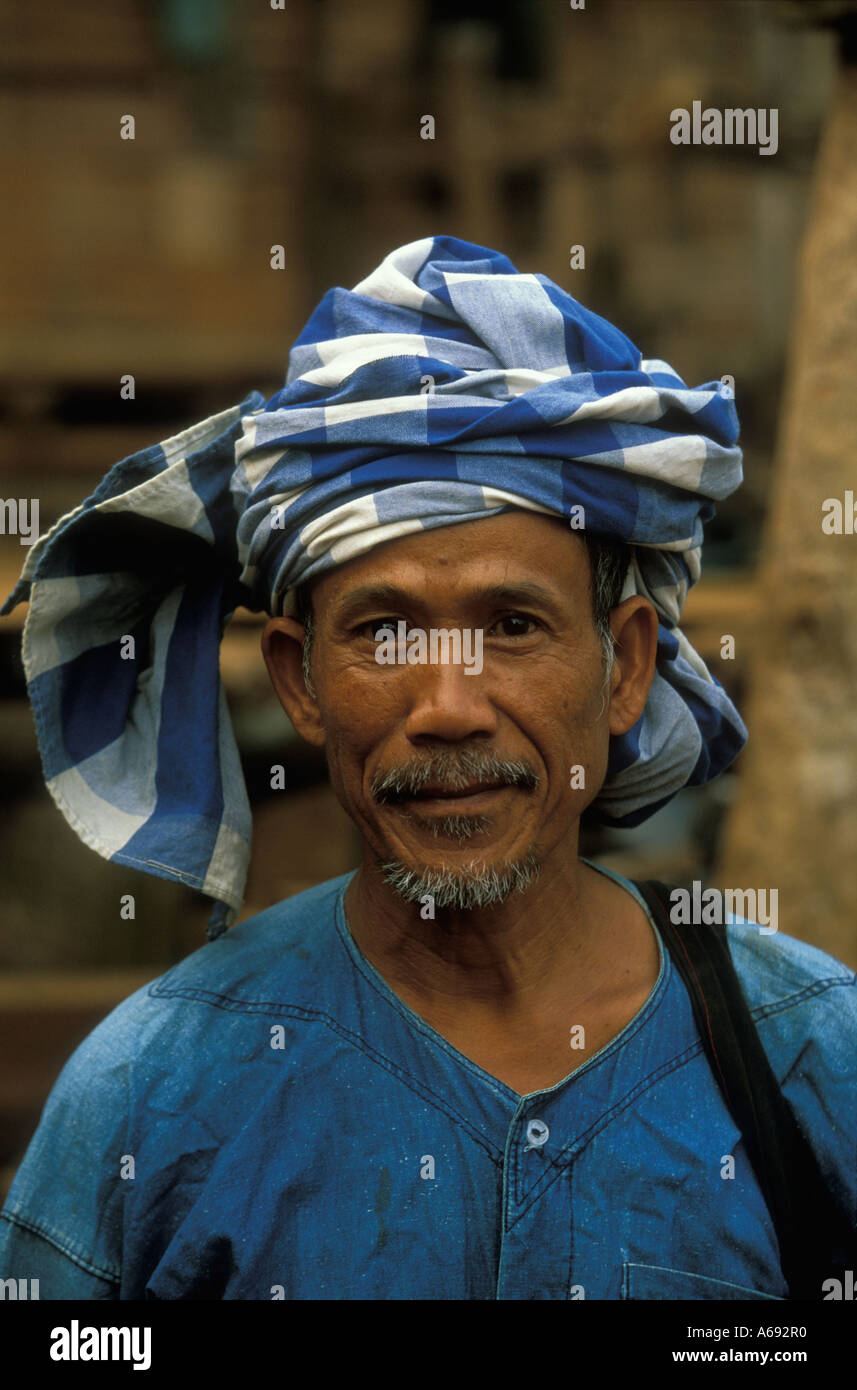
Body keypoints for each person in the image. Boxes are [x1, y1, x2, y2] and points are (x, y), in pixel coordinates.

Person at [0, 236, 853, 1301]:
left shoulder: (810, 1055)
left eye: (511, 624)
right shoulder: (147, 1095)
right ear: (299, 680)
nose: (449, 707)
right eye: (383, 632)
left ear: (623, 666)